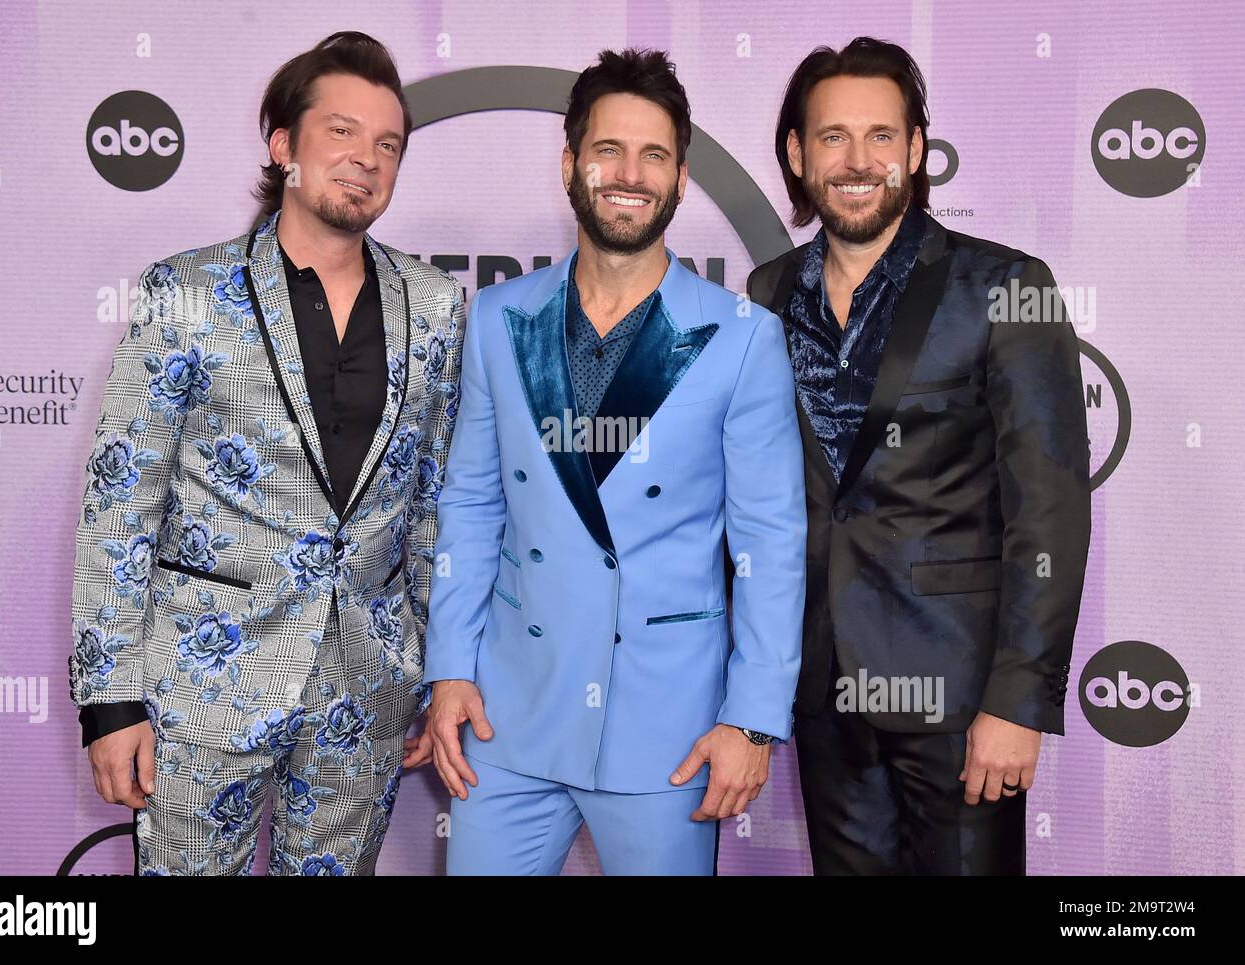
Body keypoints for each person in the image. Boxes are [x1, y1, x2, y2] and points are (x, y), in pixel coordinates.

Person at [69, 31, 461, 876]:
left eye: (387, 144)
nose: (366, 159)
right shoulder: (187, 292)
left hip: (364, 688)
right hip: (202, 685)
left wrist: (435, 670)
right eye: (342, 132)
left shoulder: (434, 306)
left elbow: (432, 505)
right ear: (284, 145)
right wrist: (107, 700)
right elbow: (120, 499)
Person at [423, 48, 806, 875]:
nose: (629, 173)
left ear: (679, 176)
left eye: (654, 155)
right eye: (608, 150)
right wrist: (449, 670)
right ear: (571, 163)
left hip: (667, 727)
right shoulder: (495, 317)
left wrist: (752, 719)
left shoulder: (741, 337)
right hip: (508, 718)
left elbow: (770, 543)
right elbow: (472, 503)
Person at [747, 36, 1091, 875]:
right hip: (825, 695)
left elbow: (1048, 506)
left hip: (961, 697)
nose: (857, 160)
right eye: (831, 138)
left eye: (879, 137)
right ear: (797, 154)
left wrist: (1018, 701)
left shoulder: (1006, 284)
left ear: (915, 149)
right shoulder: (765, 294)